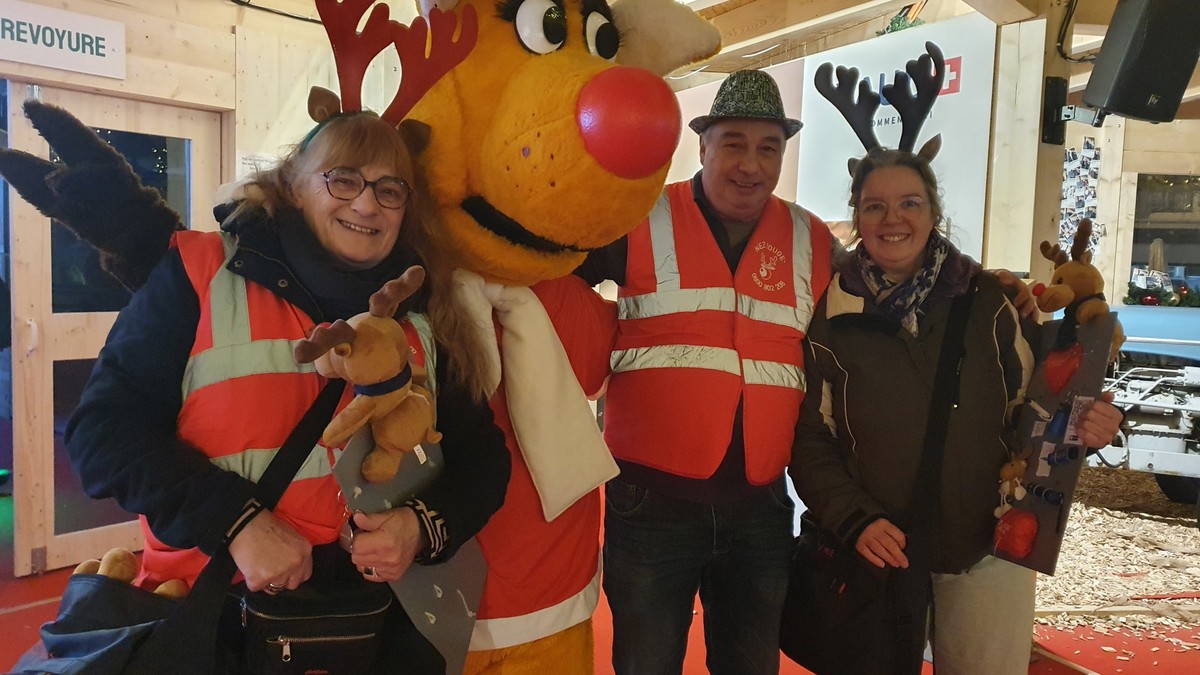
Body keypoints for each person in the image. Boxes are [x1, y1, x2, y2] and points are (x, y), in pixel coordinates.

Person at [64, 111, 510, 671]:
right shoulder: (199, 273)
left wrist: (419, 527)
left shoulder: (425, 311)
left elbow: (483, 461)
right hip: (213, 623)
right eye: (343, 179)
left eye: (389, 190)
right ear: (293, 185)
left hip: (380, 631)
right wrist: (239, 523)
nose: (367, 205)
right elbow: (102, 433)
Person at [789, 148, 1124, 674]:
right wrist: (854, 520)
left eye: (909, 203)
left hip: (986, 548)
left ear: (933, 213)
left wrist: (1091, 427)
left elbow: (1037, 410)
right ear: (856, 219)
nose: (892, 219)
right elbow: (811, 440)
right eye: (874, 206)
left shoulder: (990, 302)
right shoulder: (831, 317)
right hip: (878, 555)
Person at [576, 69, 834, 675]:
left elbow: (881, 294)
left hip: (763, 503)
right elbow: (555, 285)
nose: (751, 164)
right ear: (704, 145)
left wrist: (989, 287)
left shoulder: (812, 239)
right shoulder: (639, 215)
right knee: (647, 663)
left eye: (768, 147)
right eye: (735, 144)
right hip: (651, 504)